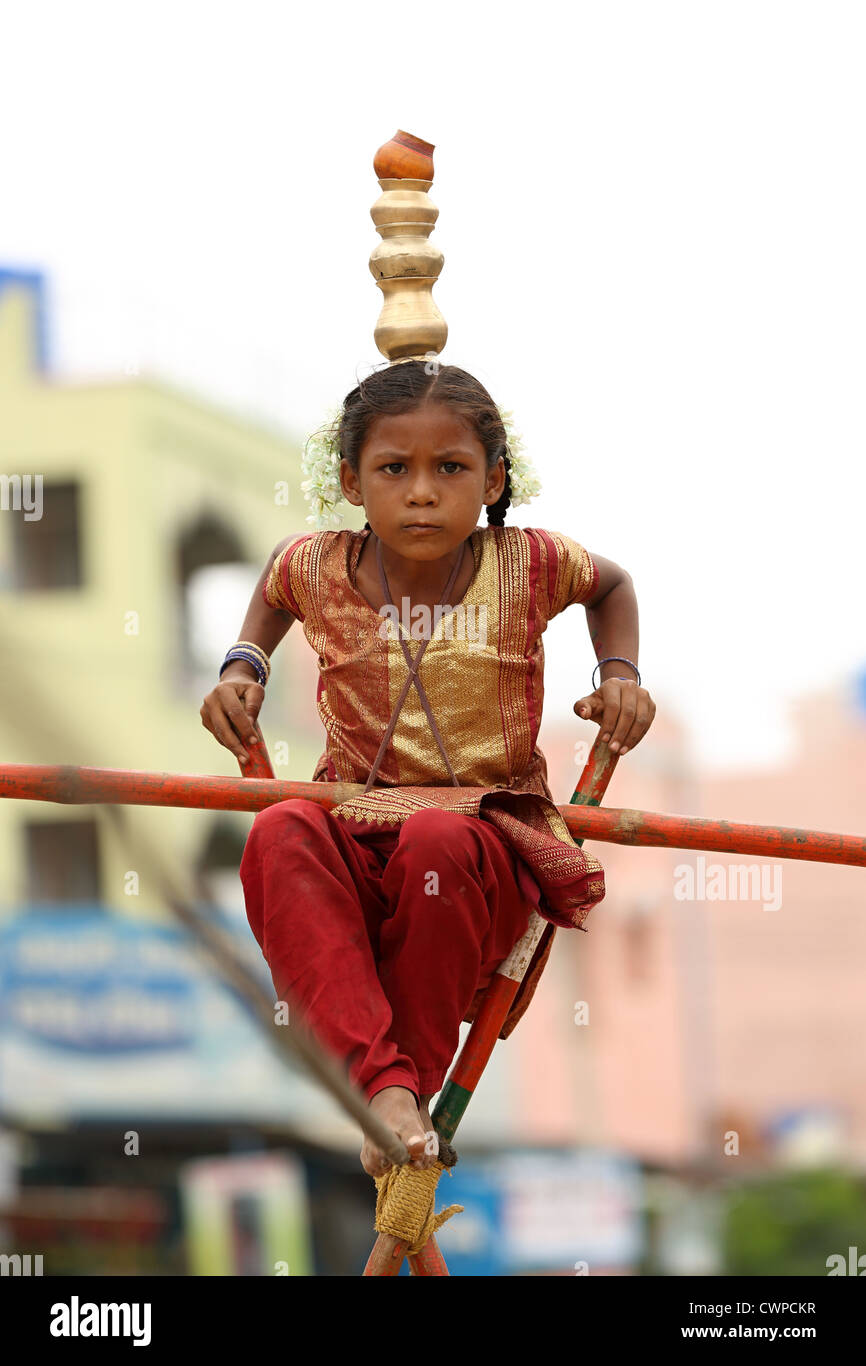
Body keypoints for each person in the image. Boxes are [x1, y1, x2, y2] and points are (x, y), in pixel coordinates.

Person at [200, 361, 656, 1178]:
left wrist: (618, 676)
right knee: (278, 827)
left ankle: (391, 1092)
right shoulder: (315, 566)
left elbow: (612, 584)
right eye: (393, 469)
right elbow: (270, 589)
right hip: (356, 834)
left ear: (493, 480)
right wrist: (244, 670)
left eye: (450, 468)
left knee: (439, 838)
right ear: (351, 481)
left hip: (480, 847)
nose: (421, 492)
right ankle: (390, 1095)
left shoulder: (531, 563)